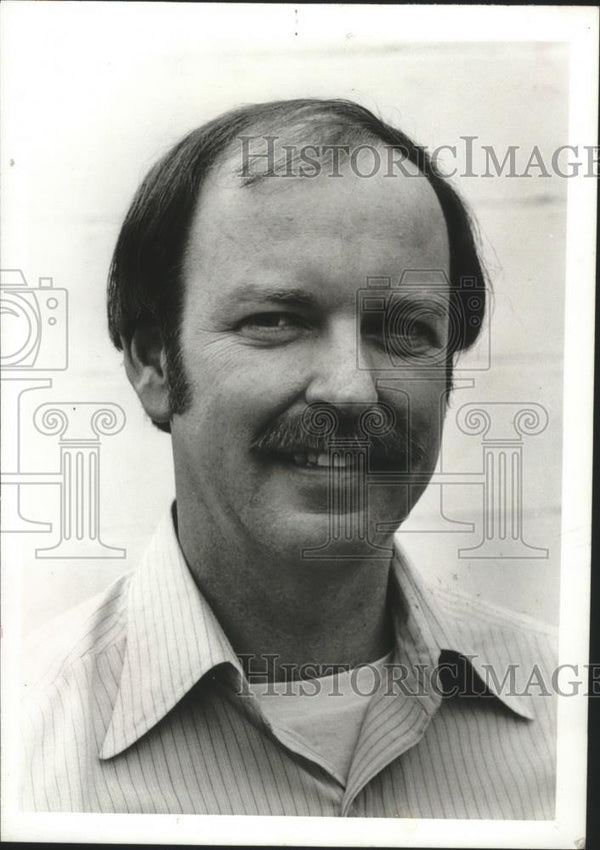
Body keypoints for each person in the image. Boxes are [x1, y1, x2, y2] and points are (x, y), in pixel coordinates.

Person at [21, 99, 556, 818]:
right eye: (276, 321)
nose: (351, 388)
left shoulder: (564, 721)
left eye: (404, 331)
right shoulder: (23, 745)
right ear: (153, 362)